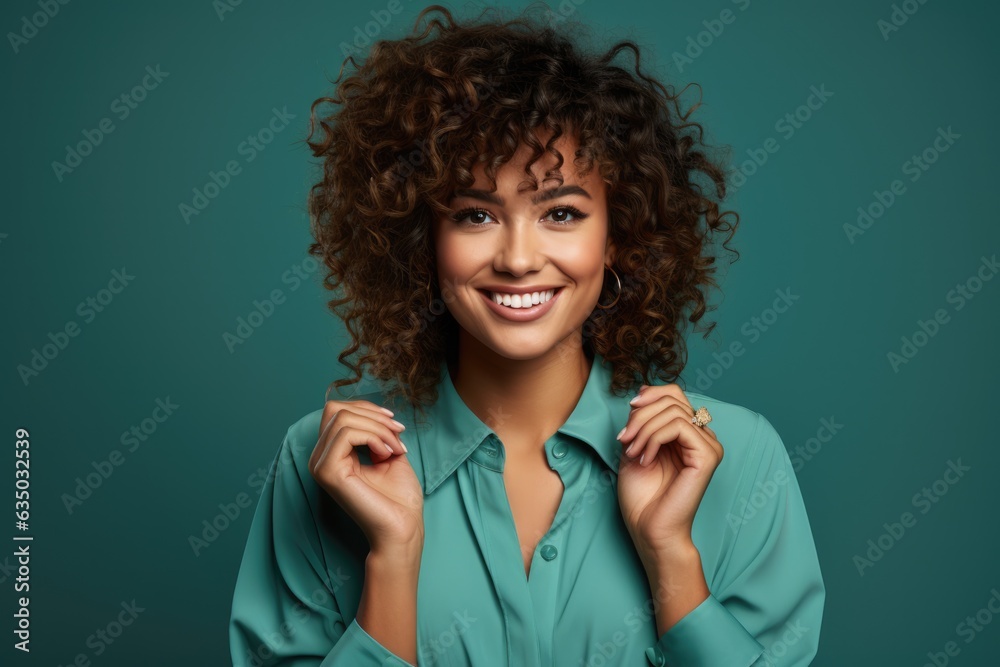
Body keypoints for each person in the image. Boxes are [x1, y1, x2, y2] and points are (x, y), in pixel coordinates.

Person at [229, 4, 825, 666]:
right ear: (420, 238)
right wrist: (392, 560)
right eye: (476, 213)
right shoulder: (324, 462)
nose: (517, 257)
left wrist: (672, 559)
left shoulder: (738, 460)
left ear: (619, 232)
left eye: (562, 212)